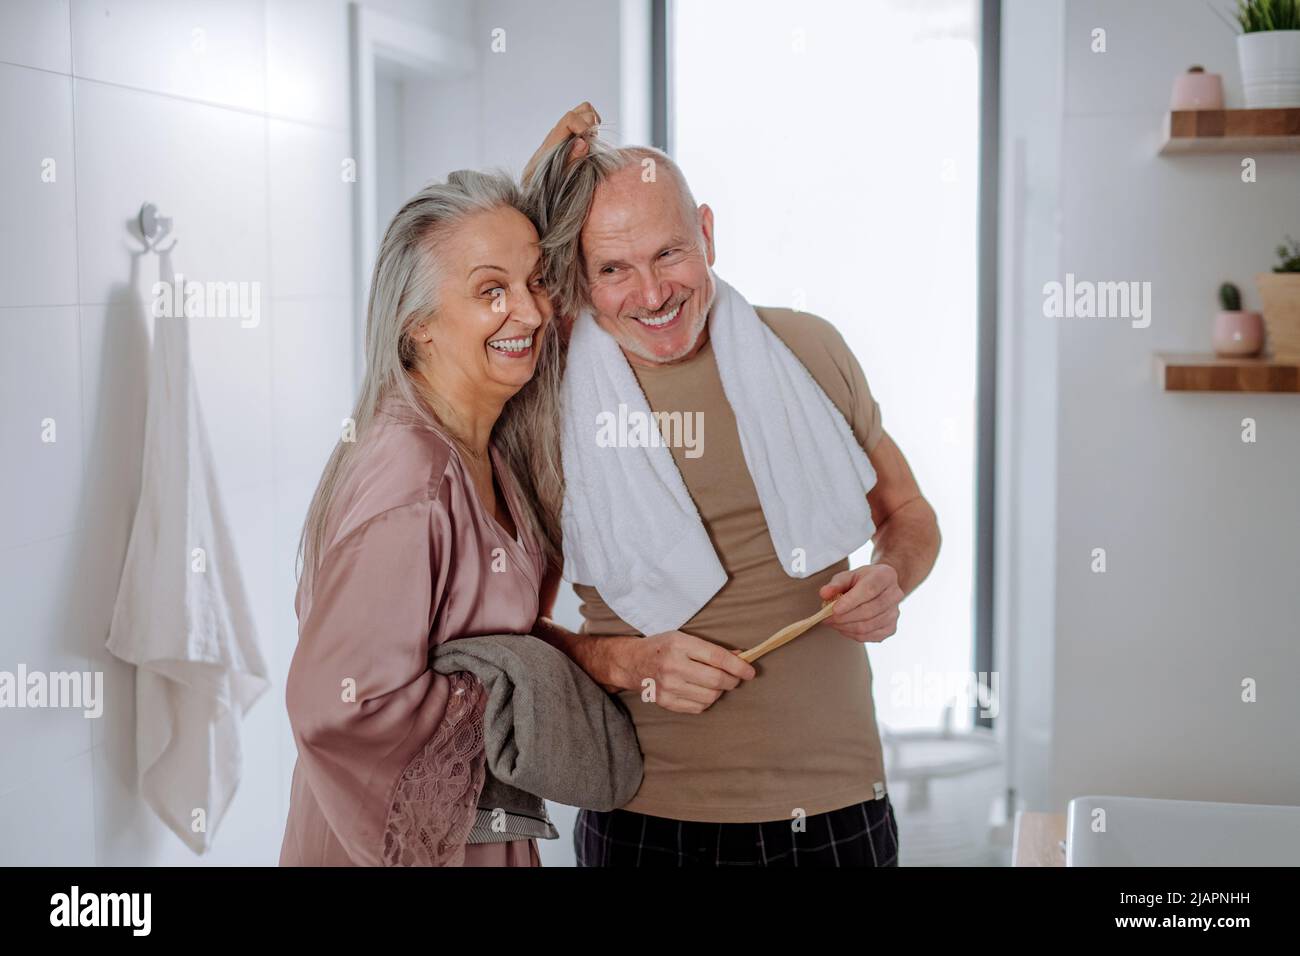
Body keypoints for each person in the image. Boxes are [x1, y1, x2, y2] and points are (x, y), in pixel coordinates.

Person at [524, 108, 942, 867]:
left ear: (707, 234)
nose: (650, 293)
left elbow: (908, 513)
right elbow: (507, 627)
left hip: (837, 804)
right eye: (613, 269)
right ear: (578, 278)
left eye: (669, 253)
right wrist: (627, 663)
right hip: (647, 815)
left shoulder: (808, 350)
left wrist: (892, 576)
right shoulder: (548, 407)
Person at [279, 168, 567, 866]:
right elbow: (338, 708)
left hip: (478, 830)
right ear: (419, 327)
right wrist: (528, 693)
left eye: (534, 283)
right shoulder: (411, 480)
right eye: (490, 291)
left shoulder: (483, 448)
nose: (528, 313)